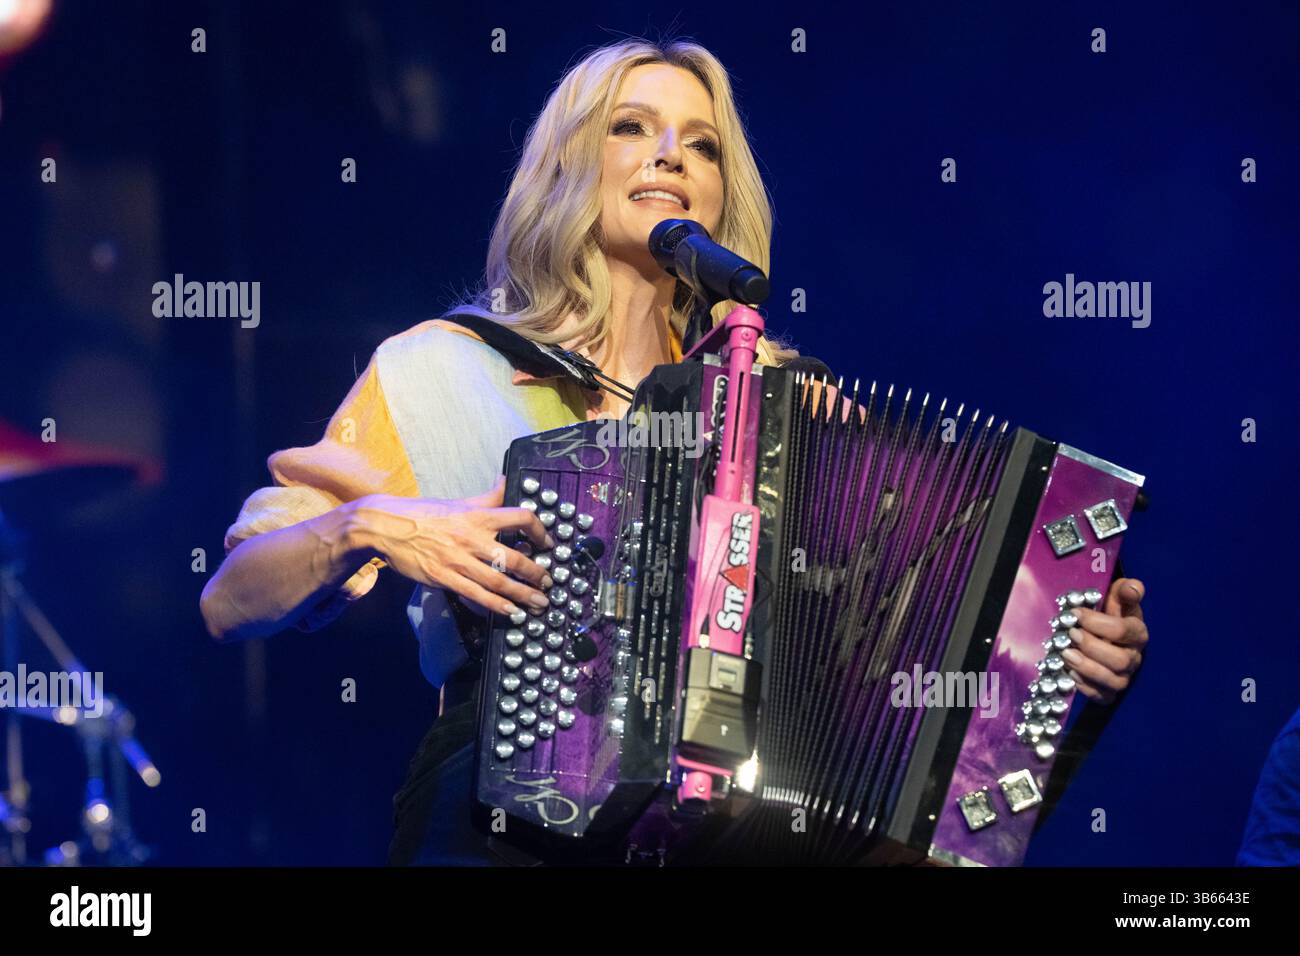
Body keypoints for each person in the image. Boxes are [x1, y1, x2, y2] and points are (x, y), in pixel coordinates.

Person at [198, 37, 1150, 865]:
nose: (670, 155)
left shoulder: (785, 399)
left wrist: (1057, 644)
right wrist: (375, 524)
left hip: (755, 844)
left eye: (702, 144)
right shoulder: (444, 372)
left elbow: (918, 624)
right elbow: (233, 599)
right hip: (507, 831)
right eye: (631, 128)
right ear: (568, 164)